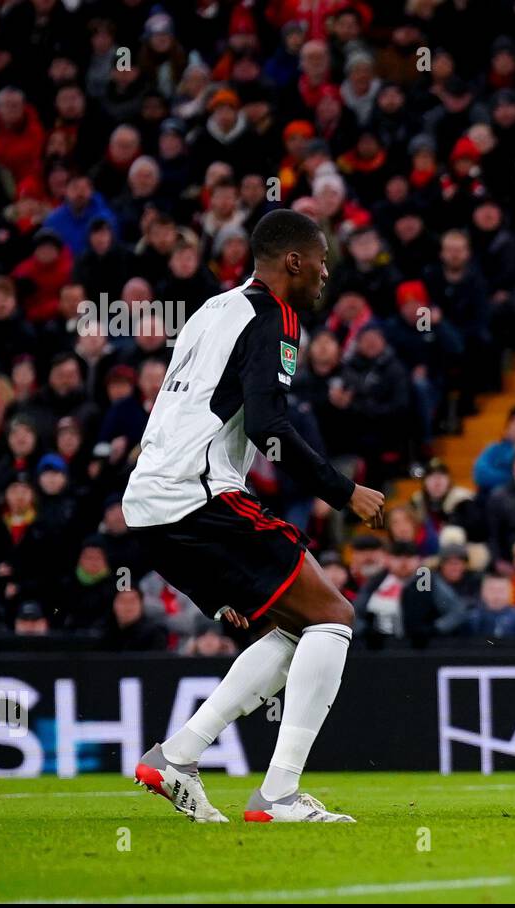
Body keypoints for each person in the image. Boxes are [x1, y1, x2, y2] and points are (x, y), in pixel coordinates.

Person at [122, 209, 385, 824]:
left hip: (151, 503)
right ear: (293, 261)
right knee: (334, 615)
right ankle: (279, 794)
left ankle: (178, 756)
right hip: (200, 496)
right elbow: (269, 425)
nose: (325, 273)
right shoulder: (275, 316)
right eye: (320, 260)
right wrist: (343, 491)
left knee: (296, 627)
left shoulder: (212, 310)